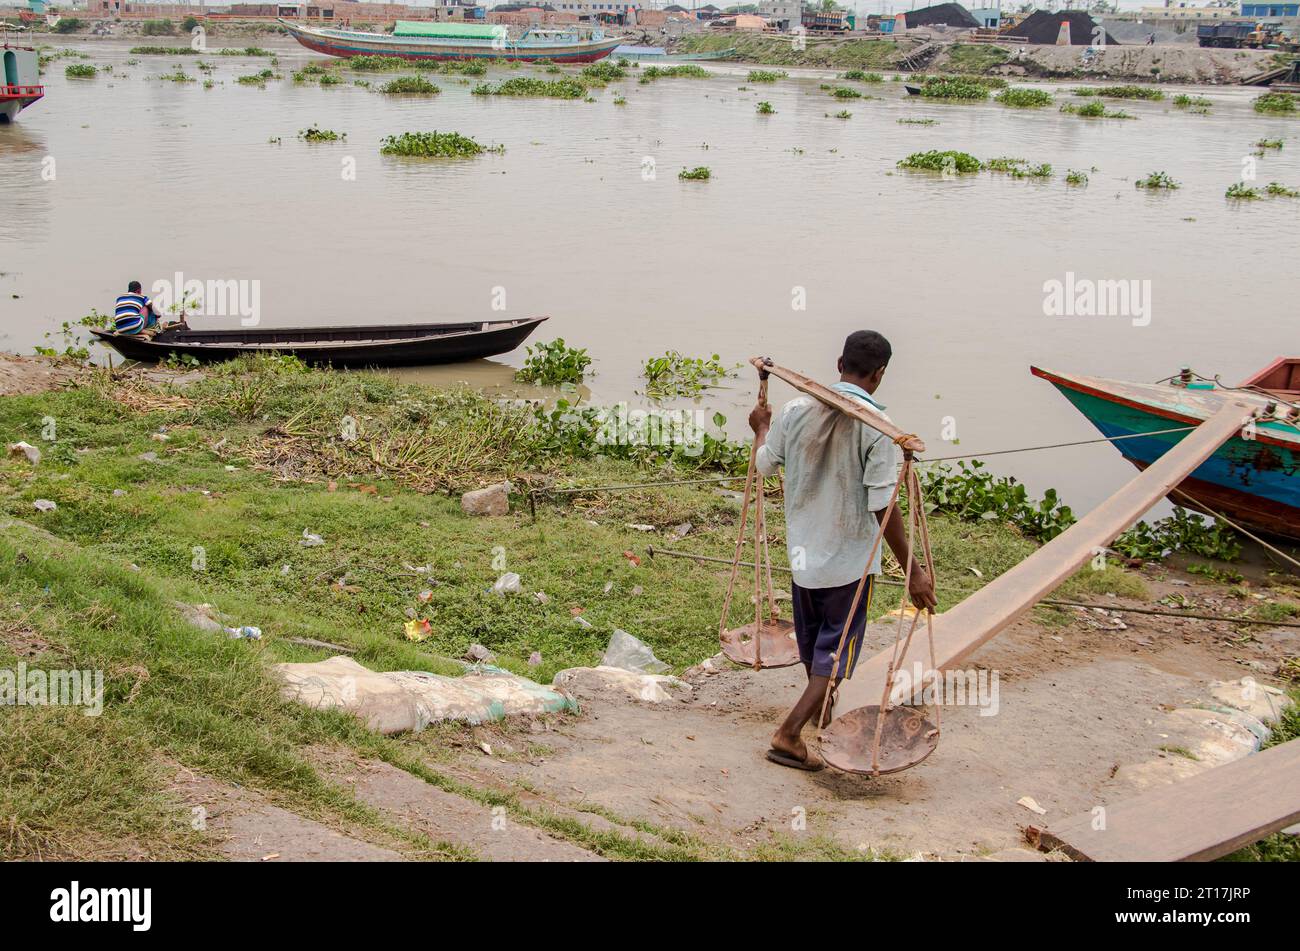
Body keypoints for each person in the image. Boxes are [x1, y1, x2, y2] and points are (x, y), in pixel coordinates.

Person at [749, 330, 937, 771]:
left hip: (803, 560)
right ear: (879, 374)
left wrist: (759, 428)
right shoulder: (878, 434)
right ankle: (788, 734)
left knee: (816, 649)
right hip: (848, 566)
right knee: (832, 657)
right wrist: (911, 569)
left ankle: (823, 713)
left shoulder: (795, 411)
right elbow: (881, 507)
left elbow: (763, 464)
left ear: (839, 364)